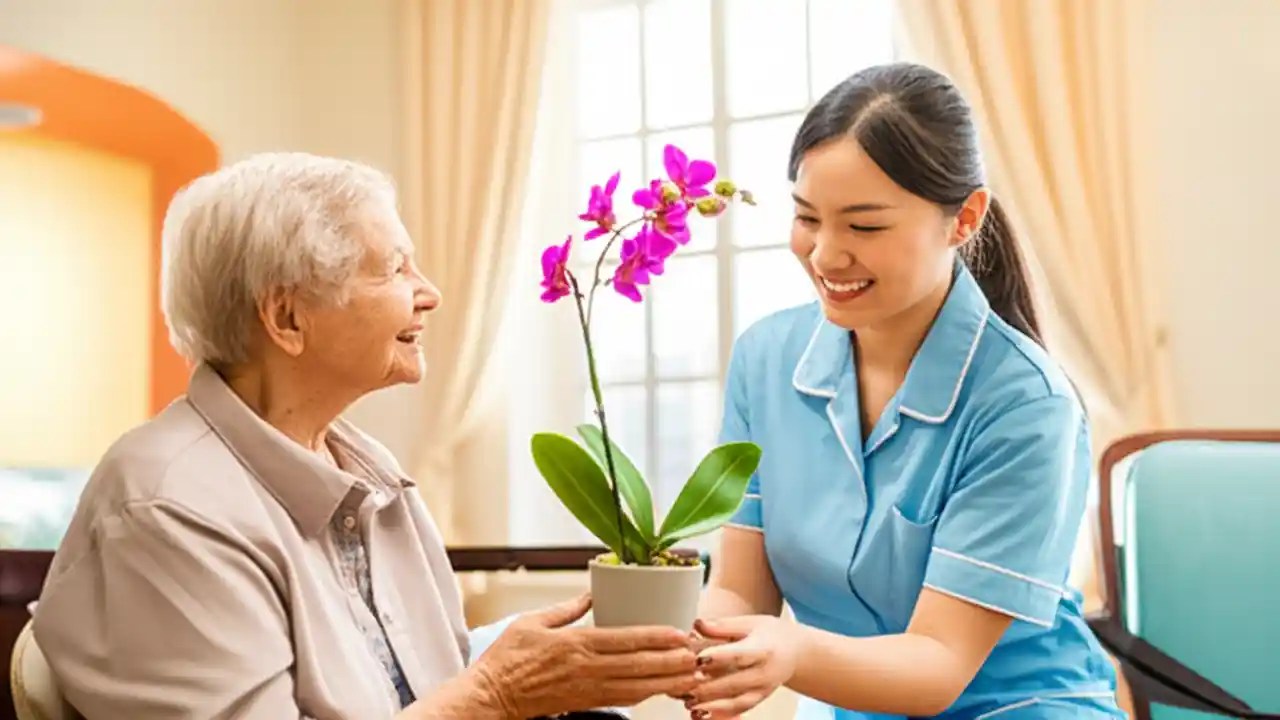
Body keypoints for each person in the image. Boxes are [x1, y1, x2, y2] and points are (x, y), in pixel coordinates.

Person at [32, 153, 696, 719]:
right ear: (287, 317)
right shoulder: (167, 508)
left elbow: (399, 680)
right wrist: (495, 692)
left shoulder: (360, 466)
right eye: (395, 268)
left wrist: (539, 656)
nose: (429, 292)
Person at [684, 63, 1124, 719]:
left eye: (864, 228)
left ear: (964, 218)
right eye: (808, 218)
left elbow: (937, 665)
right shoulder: (765, 360)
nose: (826, 255)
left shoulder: (1028, 404)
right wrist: (678, 643)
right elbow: (742, 595)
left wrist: (789, 651)